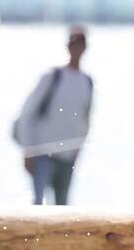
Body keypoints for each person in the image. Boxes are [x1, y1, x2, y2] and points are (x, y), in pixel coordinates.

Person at [13, 26, 93, 206]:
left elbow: (85, 120)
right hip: (43, 154)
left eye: (80, 43)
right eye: (73, 42)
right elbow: (28, 113)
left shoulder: (87, 82)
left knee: (63, 209)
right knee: (38, 206)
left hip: (68, 158)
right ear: (68, 46)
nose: (77, 47)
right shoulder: (53, 77)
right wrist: (29, 150)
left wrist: (77, 151)